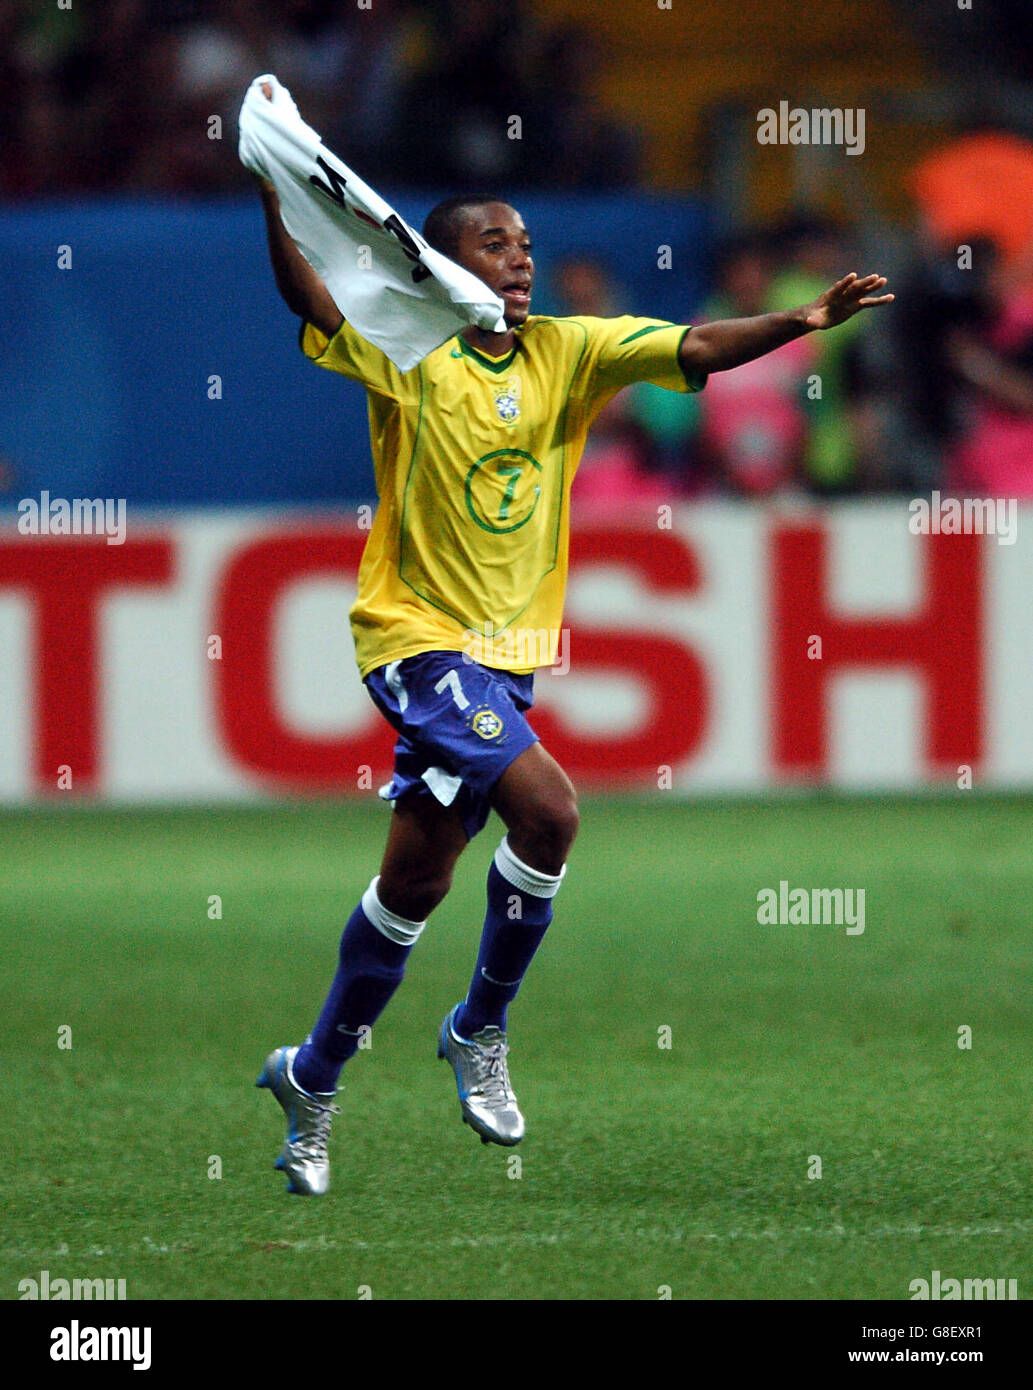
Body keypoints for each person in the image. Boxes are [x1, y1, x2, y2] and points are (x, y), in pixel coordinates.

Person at [252, 163, 893, 1194]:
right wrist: (274, 193)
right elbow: (311, 298)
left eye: (525, 245)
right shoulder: (407, 352)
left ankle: (312, 1076)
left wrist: (804, 318)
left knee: (414, 884)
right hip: (414, 641)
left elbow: (692, 347)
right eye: (495, 244)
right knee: (549, 813)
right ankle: (479, 1028)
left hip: (509, 661)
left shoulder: (568, 350)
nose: (520, 260)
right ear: (444, 262)